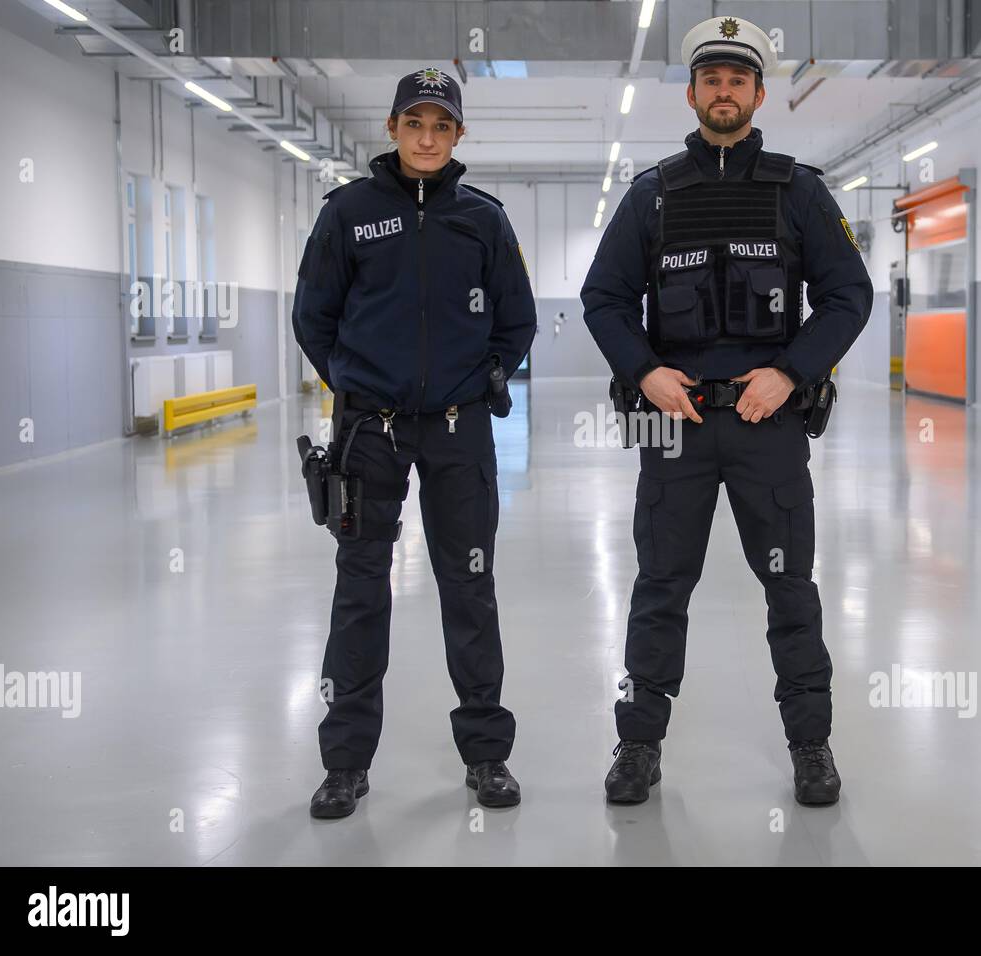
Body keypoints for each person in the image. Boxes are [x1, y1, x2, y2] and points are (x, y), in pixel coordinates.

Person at [580, 16, 874, 806]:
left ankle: (811, 745)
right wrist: (644, 373)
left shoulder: (799, 192)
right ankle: (638, 745)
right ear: (691, 93)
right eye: (710, 79)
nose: (723, 91)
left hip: (766, 425)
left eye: (737, 80)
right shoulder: (651, 197)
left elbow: (850, 295)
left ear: (756, 93)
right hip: (673, 427)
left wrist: (790, 370)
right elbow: (602, 300)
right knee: (660, 585)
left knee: (791, 589)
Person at [292, 67, 536, 817]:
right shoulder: (348, 214)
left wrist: (484, 376)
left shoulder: (483, 220)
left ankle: (487, 755)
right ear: (393, 129)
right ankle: (345, 763)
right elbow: (313, 315)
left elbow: (516, 318)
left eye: (441, 126)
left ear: (458, 135)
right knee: (360, 590)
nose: (427, 138)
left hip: (459, 434)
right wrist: (356, 383)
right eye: (414, 124)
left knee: (470, 588)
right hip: (370, 434)